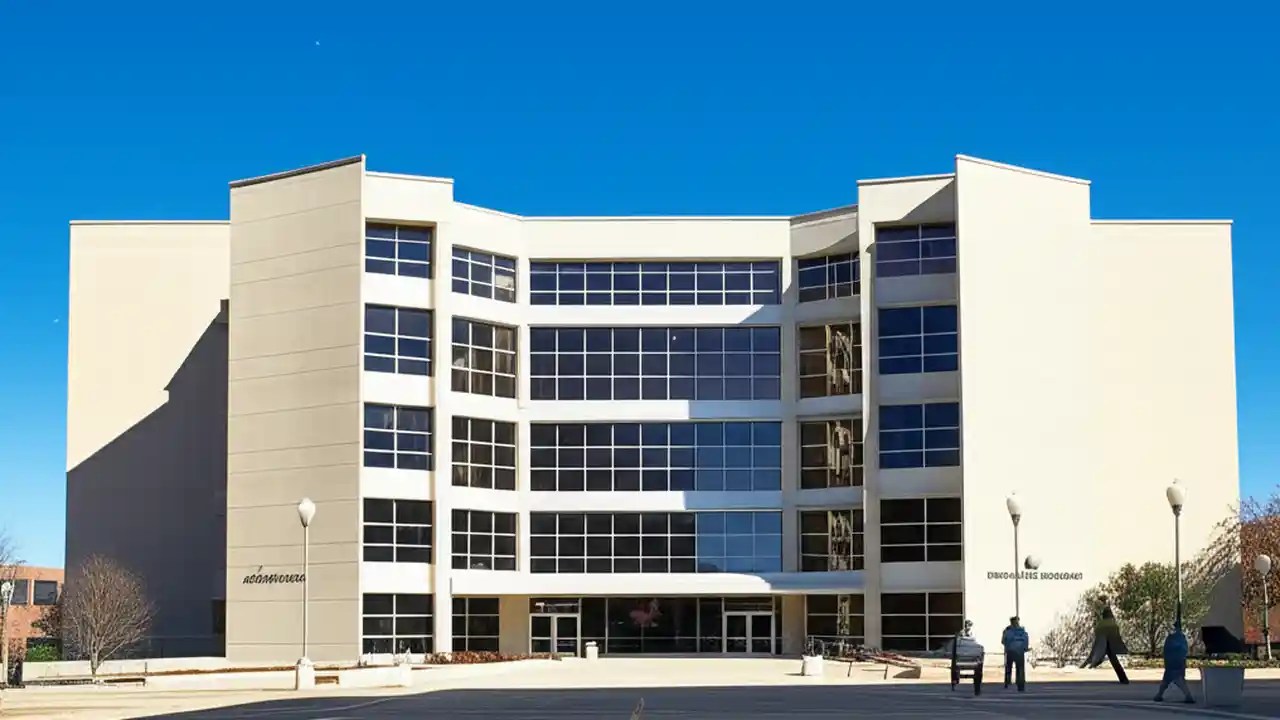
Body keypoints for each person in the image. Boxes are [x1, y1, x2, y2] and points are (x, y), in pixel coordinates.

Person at [1081, 596, 1129, 684]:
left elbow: (1107, 622)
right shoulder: (1106, 609)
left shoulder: (1105, 609)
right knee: (1112, 657)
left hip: (1106, 635)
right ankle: (1123, 678)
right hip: (1108, 635)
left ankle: (1123, 678)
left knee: (1109, 655)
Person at [1153, 625, 1195, 704]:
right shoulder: (1180, 638)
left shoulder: (1172, 638)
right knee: (1171, 680)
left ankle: (1188, 696)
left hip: (1173, 662)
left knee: (1174, 679)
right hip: (1177, 661)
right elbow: (1184, 650)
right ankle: (1159, 695)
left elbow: (1167, 650)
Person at [1001, 616, 1029, 691]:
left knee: (1009, 668)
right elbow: (1026, 640)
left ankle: (1008, 682)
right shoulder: (1022, 631)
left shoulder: (1007, 631)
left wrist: (1007, 646)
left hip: (1011, 651)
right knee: (1020, 668)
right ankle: (1020, 684)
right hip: (1019, 651)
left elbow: (1003, 641)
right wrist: (1025, 648)